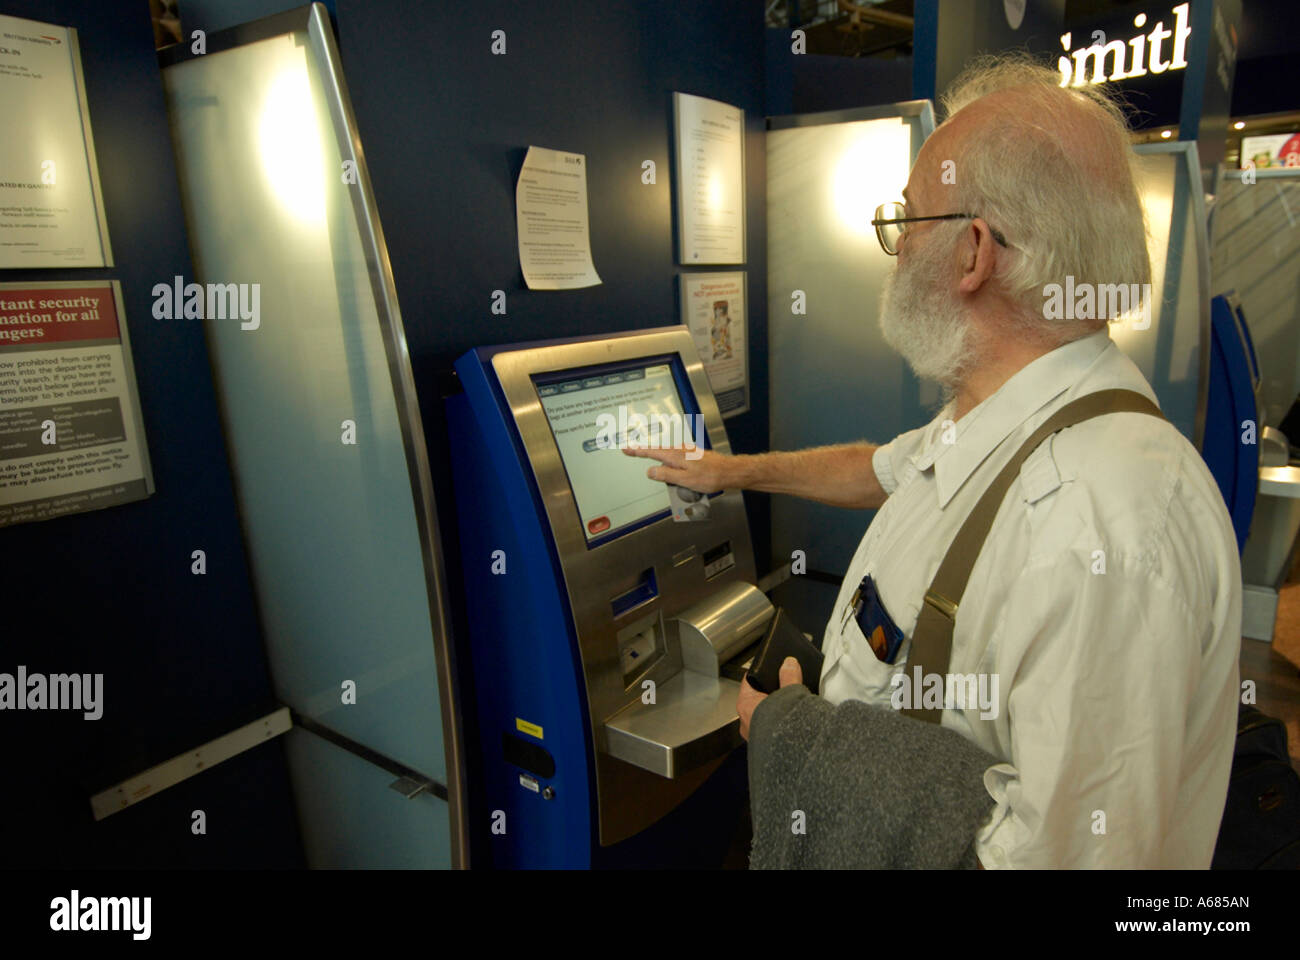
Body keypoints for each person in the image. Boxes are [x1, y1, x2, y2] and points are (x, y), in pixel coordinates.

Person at [625, 54, 1242, 868]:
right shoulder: (1008, 417)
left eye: (905, 222)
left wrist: (789, 736)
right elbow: (876, 470)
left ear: (973, 253)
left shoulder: (1101, 529)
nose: (894, 250)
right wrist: (727, 473)